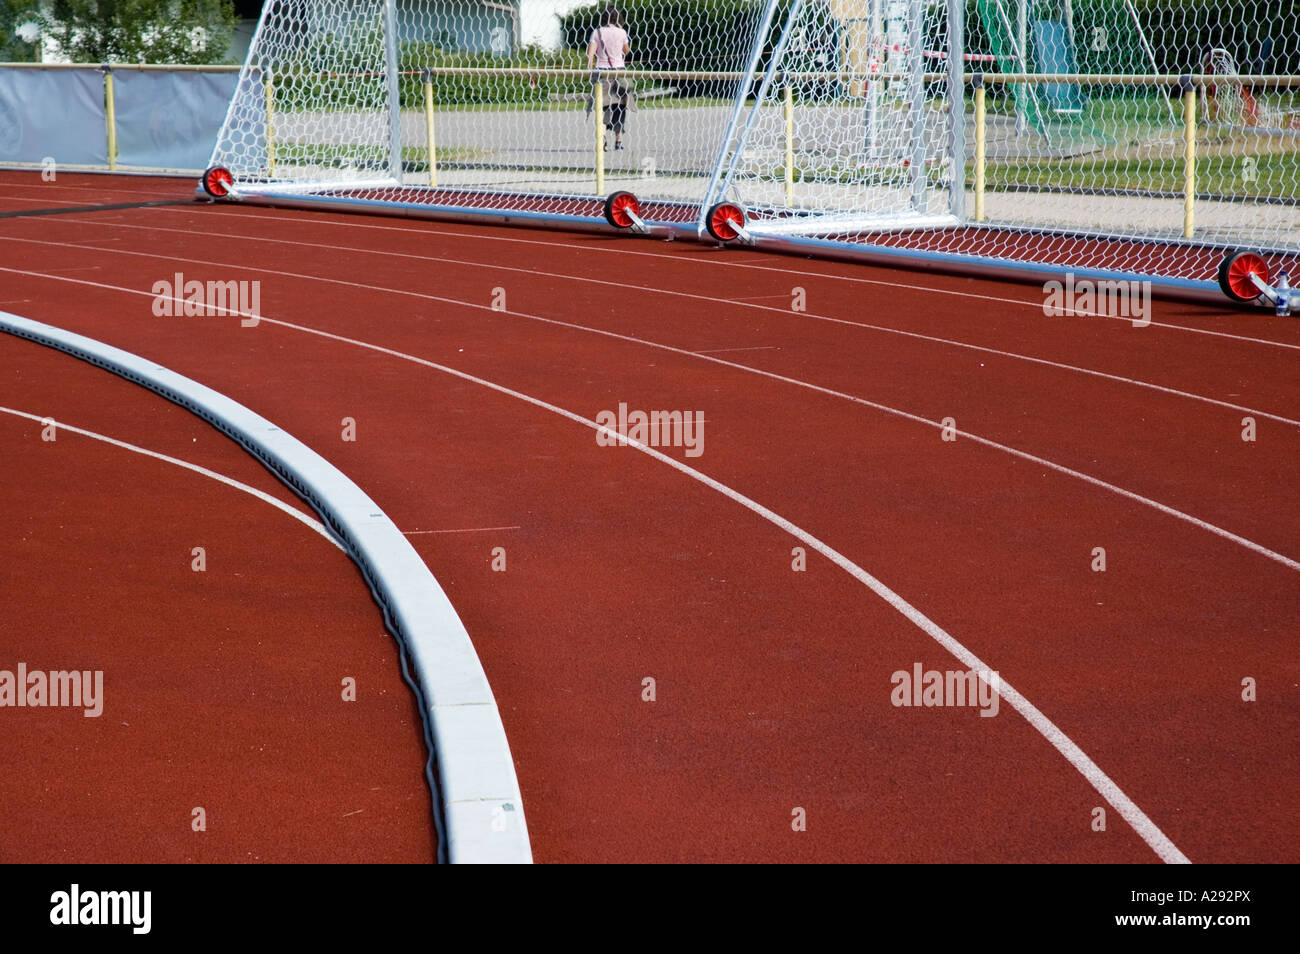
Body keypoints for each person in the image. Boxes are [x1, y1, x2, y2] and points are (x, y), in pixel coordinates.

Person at [587, 9, 631, 150]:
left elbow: (591, 54)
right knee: (620, 106)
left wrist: (590, 69)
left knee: (603, 106)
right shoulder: (622, 32)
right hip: (619, 72)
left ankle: (603, 136)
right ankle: (618, 141)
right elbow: (626, 51)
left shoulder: (597, 32)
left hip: (602, 72)